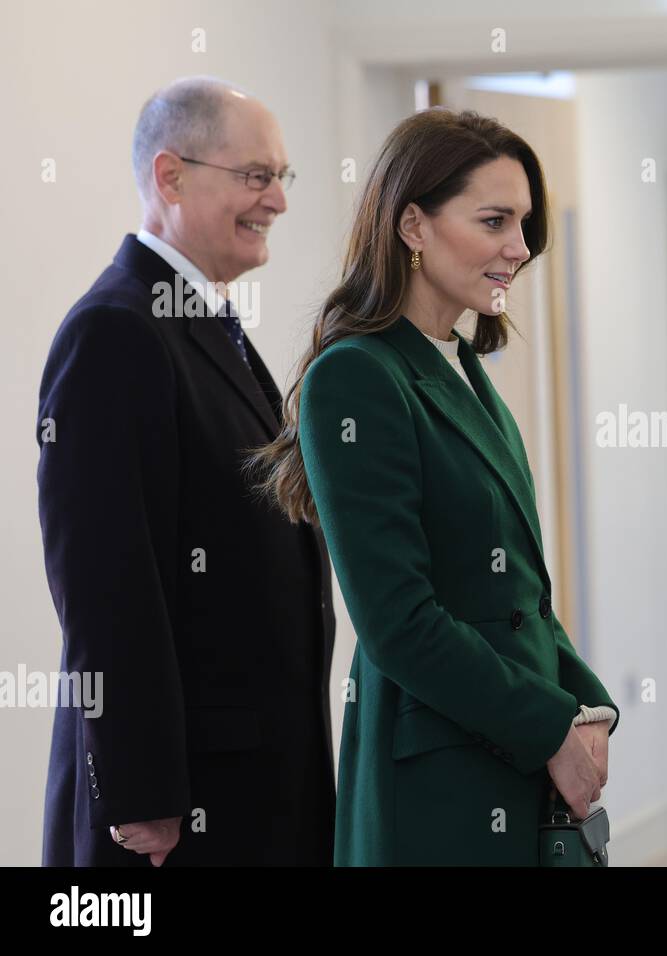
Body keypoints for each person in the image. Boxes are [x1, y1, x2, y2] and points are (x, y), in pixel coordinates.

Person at [249, 108, 617, 866]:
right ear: (412, 225)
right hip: (439, 781)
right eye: (494, 221)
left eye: (523, 223)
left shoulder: (461, 364)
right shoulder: (356, 376)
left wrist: (587, 707)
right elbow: (398, 621)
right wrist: (548, 724)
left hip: (505, 755)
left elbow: (521, 598)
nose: (519, 248)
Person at [36, 77, 336, 866]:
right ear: (171, 176)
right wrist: (140, 796)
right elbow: (104, 585)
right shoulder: (116, 329)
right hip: (177, 812)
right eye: (255, 176)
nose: (276, 200)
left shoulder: (205, 321)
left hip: (259, 783)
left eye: (282, 177)